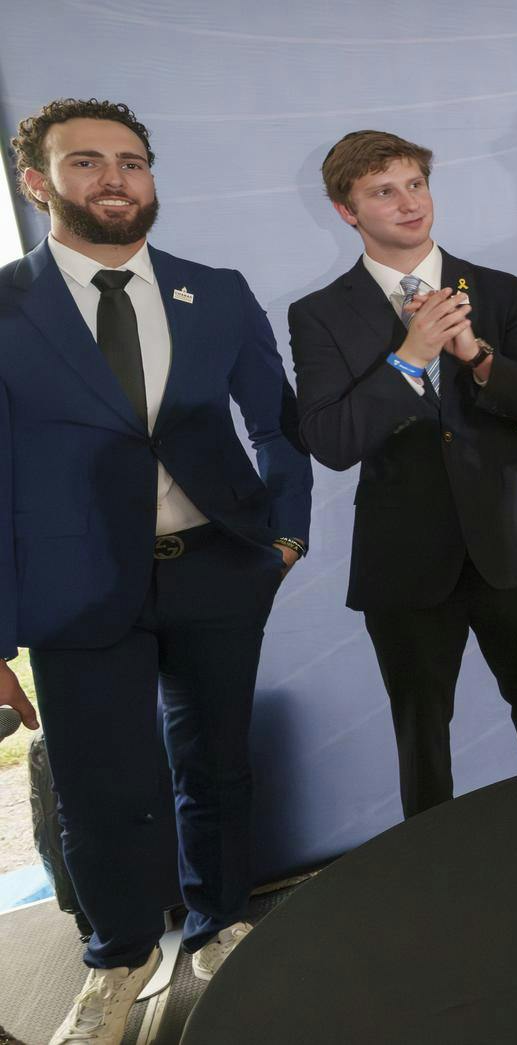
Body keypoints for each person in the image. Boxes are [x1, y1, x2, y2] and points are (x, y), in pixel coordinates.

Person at [1, 98, 312, 1043]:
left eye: (131, 161)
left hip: (218, 568)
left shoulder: (212, 288)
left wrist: (283, 535)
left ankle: (221, 924)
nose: (114, 179)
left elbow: (278, 421)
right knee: (104, 785)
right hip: (75, 588)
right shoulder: (6, 304)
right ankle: (118, 957)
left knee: (218, 764)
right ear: (37, 182)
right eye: (85, 161)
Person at [289, 130, 517, 818]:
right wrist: (410, 359)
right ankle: (430, 894)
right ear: (345, 210)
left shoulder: (501, 292)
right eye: (383, 190)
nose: (408, 202)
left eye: (415, 183)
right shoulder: (320, 313)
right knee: (422, 740)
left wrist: (479, 359)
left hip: (514, 543)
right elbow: (330, 440)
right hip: (404, 558)